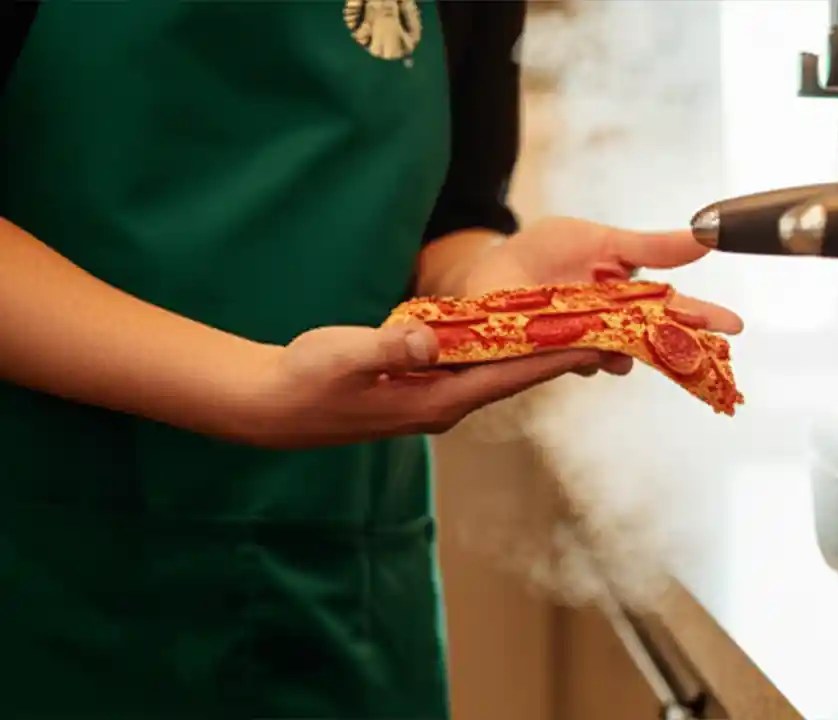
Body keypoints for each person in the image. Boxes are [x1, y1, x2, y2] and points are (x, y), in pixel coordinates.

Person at [0, 0, 742, 717]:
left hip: (342, 581)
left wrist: (491, 286)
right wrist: (249, 388)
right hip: (45, 577)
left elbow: (451, 219)